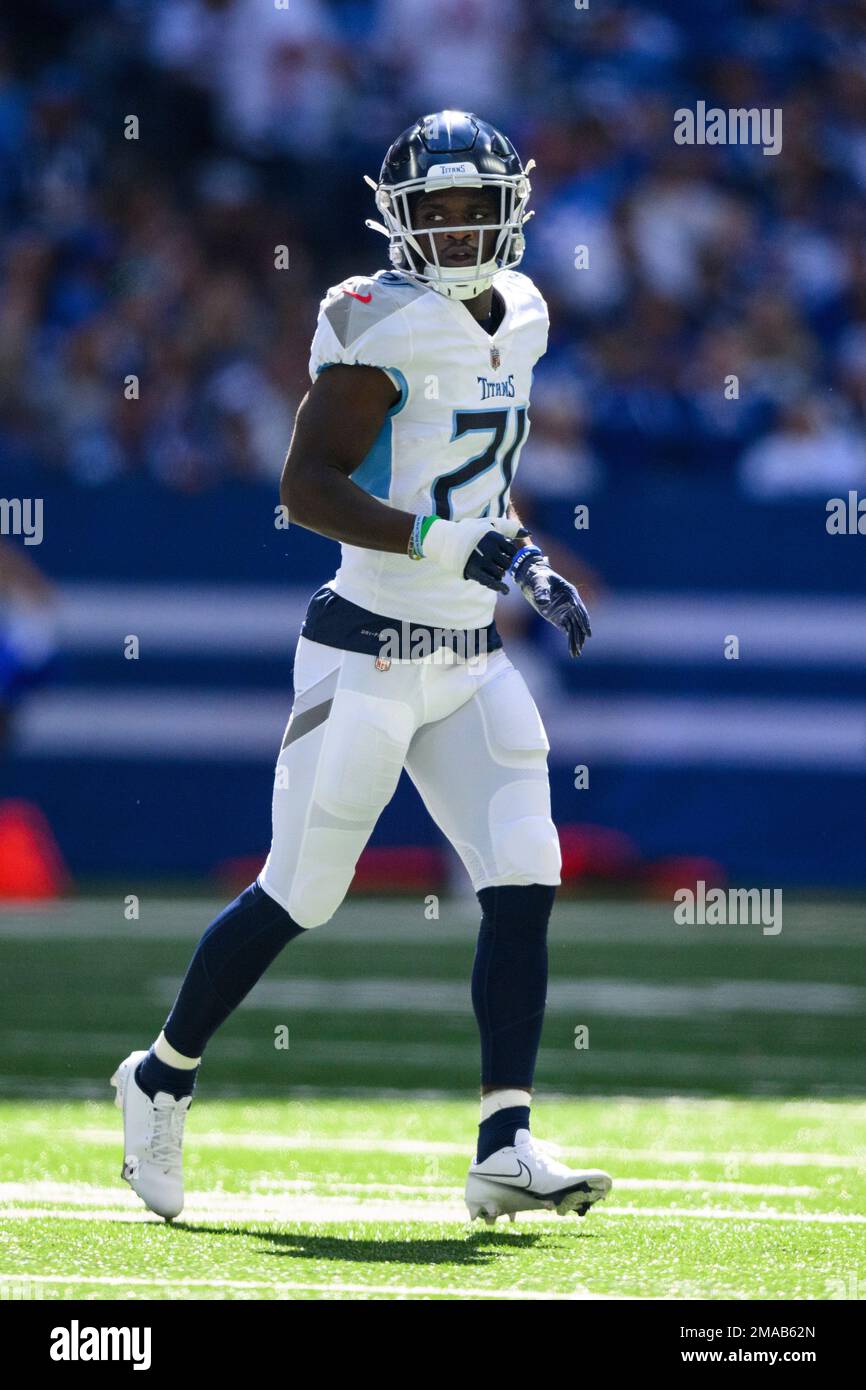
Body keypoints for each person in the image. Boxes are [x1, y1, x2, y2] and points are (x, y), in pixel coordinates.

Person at [112, 110, 612, 1226]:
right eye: (429, 207)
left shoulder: (522, 312)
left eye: (469, 202)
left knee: (524, 875)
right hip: (368, 651)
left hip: (471, 654)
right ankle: (160, 1074)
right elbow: (306, 489)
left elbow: (475, 483)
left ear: (510, 204)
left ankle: (504, 1140)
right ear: (394, 218)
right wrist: (458, 546)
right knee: (301, 891)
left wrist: (521, 558)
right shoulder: (370, 319)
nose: (451, 223)